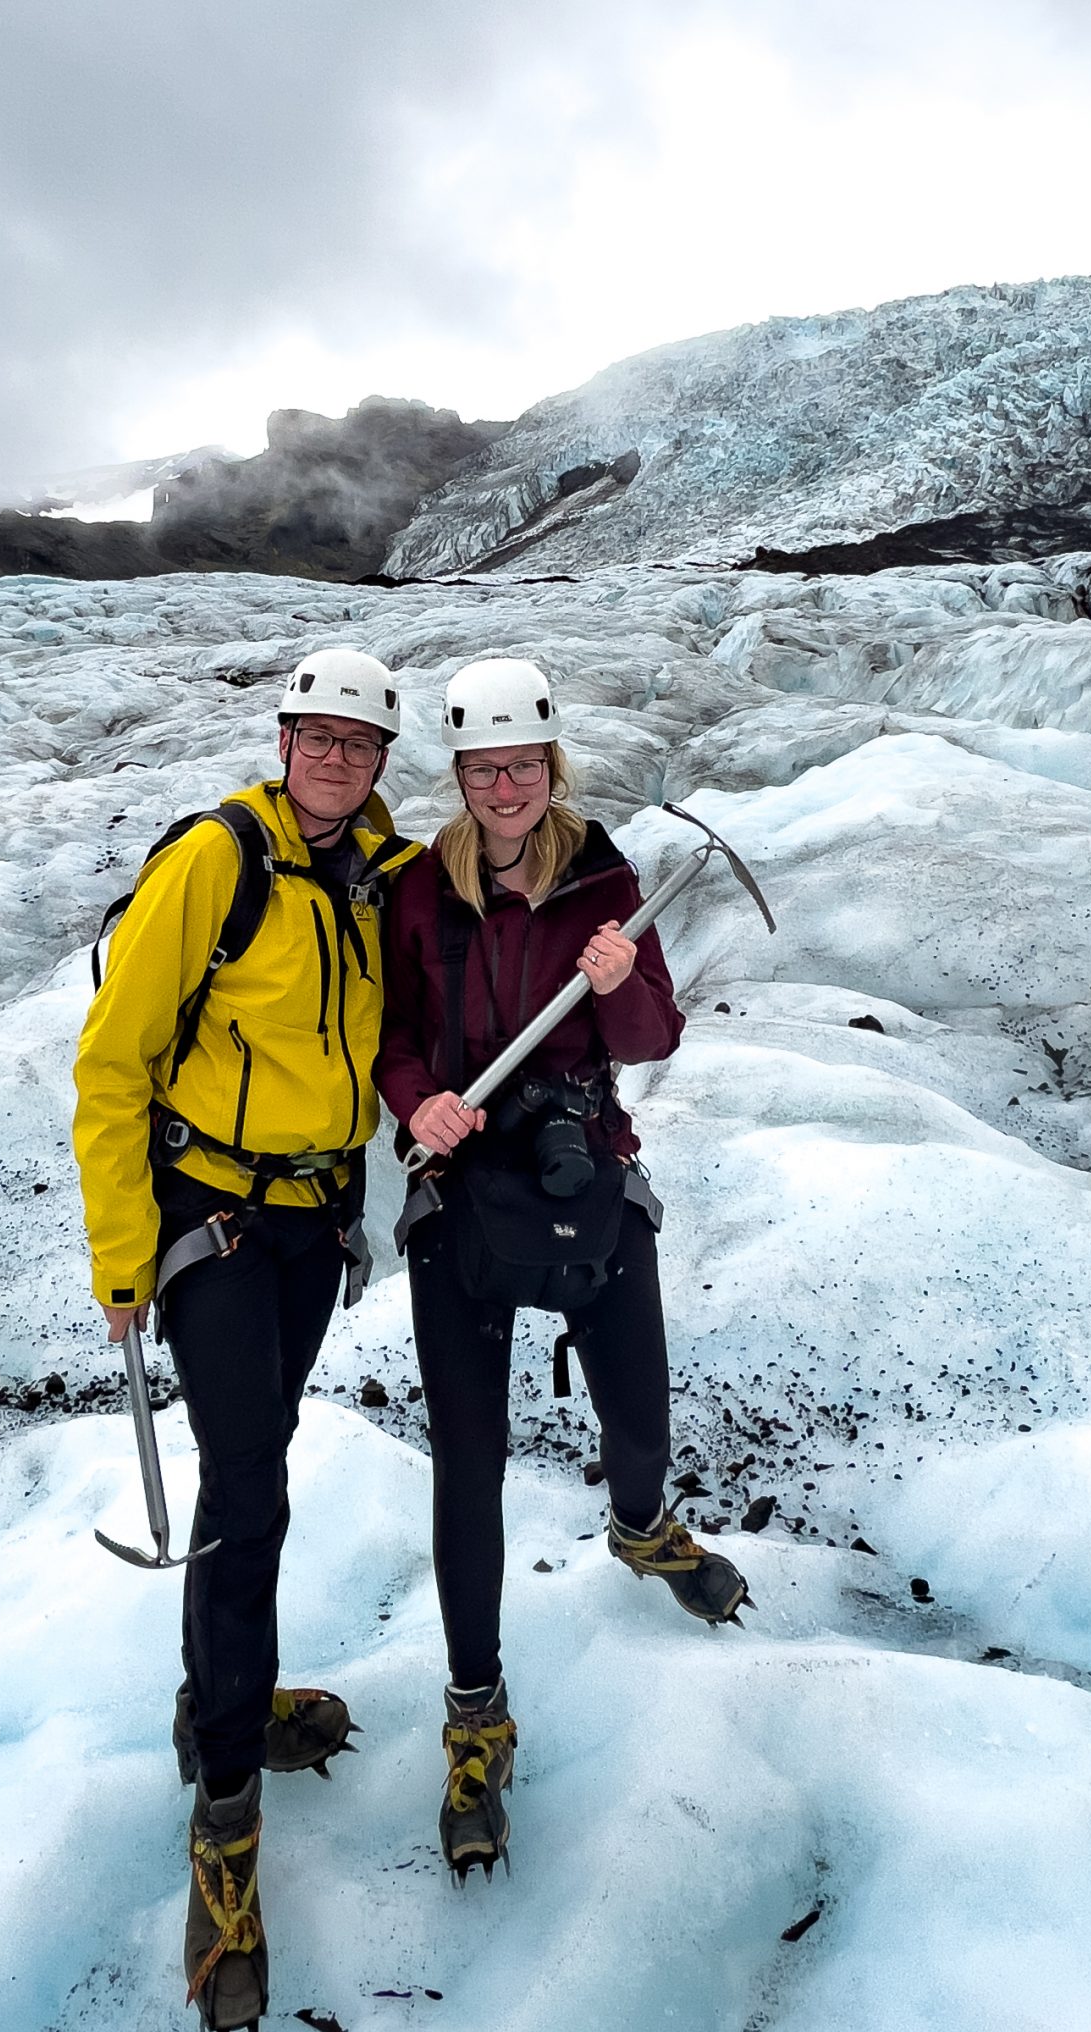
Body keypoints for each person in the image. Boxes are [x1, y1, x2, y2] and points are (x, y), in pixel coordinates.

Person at [72, 646, 421, 2032]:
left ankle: (215, 1692)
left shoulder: (380, 874)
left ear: (381, 756)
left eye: (358, 740)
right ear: (283, 739)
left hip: (311, 1224)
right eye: (315, 735)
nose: (334, 757)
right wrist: (119, 1257)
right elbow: (114, 1058)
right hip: (210, 1223)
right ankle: (225, 1819)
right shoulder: (218, 864)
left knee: (247, 1477)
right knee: (253, 1493)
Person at [375, 656, 750, 1885]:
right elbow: (391, 1037)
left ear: (551, 768)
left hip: (585, 1165)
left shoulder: (604, 881)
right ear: (461, 775)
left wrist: (620, 977)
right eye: (483, 769)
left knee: (638, 1409)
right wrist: (417, 1103)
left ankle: (639, 1527)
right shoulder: (420, 893)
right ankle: (474, 1707)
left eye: (522, 767)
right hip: (463, 1185)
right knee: (467, 1462)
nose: (504, 787)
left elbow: (653, 1037)